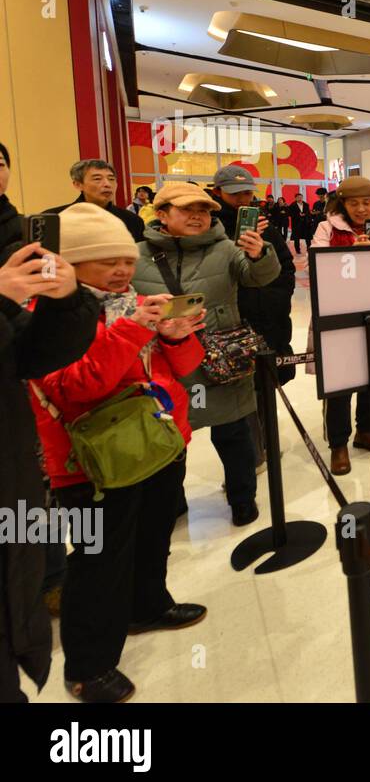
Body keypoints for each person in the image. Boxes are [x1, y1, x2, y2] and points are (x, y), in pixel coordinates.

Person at [27, 204, 208, 703]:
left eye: (126, 259)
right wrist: (134, 330)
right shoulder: (49, 316)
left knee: (153, 537)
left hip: (157, 441)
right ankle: (87, 666)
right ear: (70, 263)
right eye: (106, 260)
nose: (122, 270)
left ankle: (147, 607)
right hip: (90, 463)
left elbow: (187, 368)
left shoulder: (133, 302)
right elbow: (76, 388)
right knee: (98, 561)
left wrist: (178, 334)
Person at [0, 177, 99, 703]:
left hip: (15, 461)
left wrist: (65, 303)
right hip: (63, 444)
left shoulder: (17, 240)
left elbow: (33, 356)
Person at [134, 182, 280, 526]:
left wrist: (260, 254)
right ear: (161, 214)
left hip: (219, 358)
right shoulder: (138, 254)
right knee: (170, 436)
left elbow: (258, 277)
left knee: (233, 432)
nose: (198, 217)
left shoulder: (226, 248)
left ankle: (243, 498)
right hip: (165, 362)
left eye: (203, 211)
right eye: (187, 210)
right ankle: (172, 501)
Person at [310, 176, 370, 475]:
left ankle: (367, 431)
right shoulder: (328, 228)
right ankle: (338, 443)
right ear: (342, 204)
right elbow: (316, 266)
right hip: (338, 314)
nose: (361, 209)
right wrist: (350, 253)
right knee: (339, 381)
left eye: (367, 203)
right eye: (353, 203)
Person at [210, 167, 298, 466]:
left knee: (264, 388)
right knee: (234, 395)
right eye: (234, 194)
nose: (242, 199)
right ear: (217, 192)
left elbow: (286, 270)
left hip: (268, 322)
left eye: (247, 192)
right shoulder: (211, 230)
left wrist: (275, 301)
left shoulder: (265, 227)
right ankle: (248, 459)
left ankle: (266, 447)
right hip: (229, 327)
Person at [45, 159, 144, 242]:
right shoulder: (55, 219)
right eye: (97, 179)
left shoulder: (132, 220)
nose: (107, 184)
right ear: (78, 184)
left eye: (111, 179)